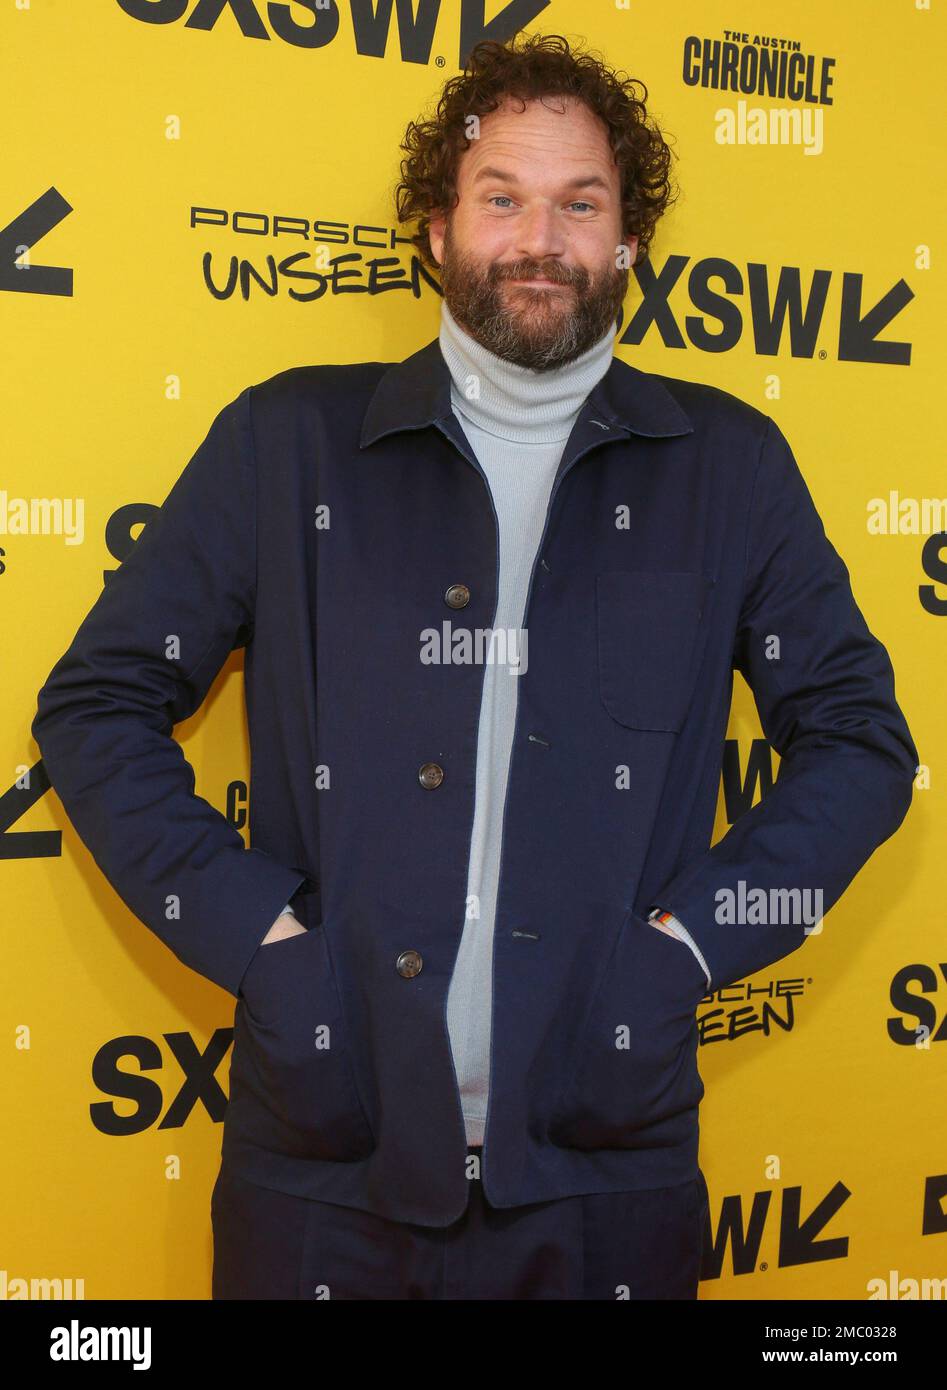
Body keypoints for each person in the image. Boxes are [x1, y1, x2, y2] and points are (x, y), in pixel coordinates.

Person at [31, 33, 918, 1300]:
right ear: (437, 230)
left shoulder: (728, 467)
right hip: (321, 1164)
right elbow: (97, 702)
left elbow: (859, 744)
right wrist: (264, 945)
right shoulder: (287, 443)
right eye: (500, 196)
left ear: (626, 243)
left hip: (605, 1170)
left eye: (580, 202)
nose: (539, 238)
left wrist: (681, 956)